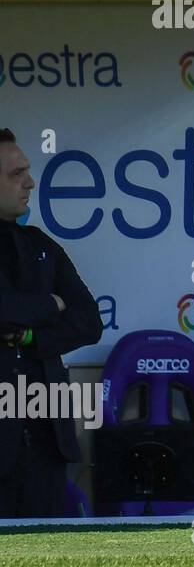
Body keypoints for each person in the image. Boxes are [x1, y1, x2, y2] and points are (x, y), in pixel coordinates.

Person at [0, 129, 103, 519]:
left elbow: (88, 321)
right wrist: (51, 303)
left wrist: (28, 335)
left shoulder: (42, 245)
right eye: (16, 174)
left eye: (27, 171)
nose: (30, 182)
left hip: (46, 440)